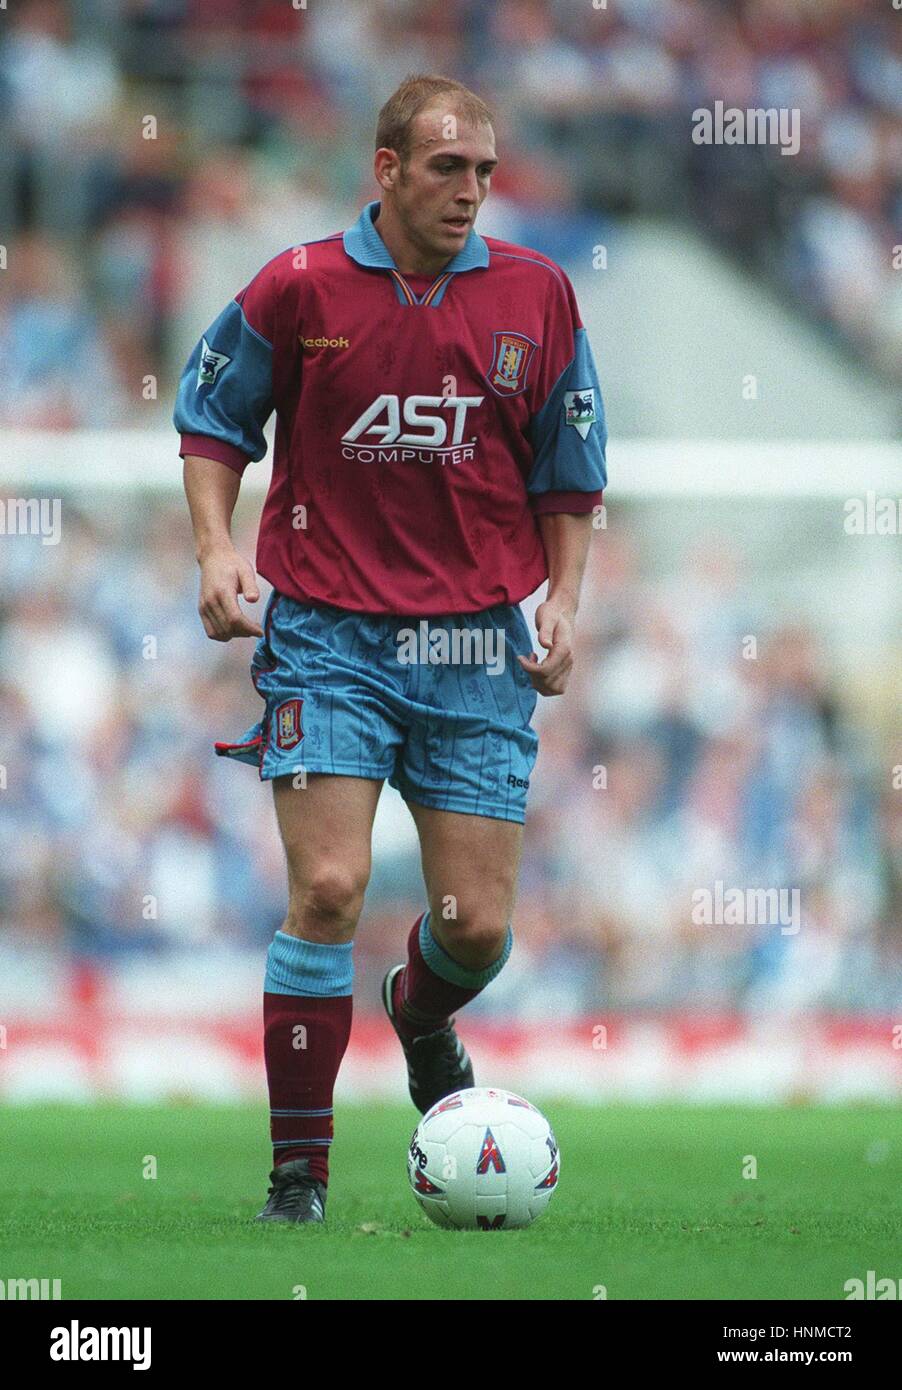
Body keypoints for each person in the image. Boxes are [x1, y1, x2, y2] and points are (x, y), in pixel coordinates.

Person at [173, 73, 606, 1224]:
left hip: (474, 646)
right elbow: (214, 418)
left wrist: (562, 599)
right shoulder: (299, 283)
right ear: (386, 168)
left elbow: (568, 471)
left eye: (482, 173)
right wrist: (217, 549)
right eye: (445, 169)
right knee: (325, 889)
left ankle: (419, 1015)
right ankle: (297, 1179)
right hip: (327, 636)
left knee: (478, 932)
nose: (468, 192)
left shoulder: (537, 295)